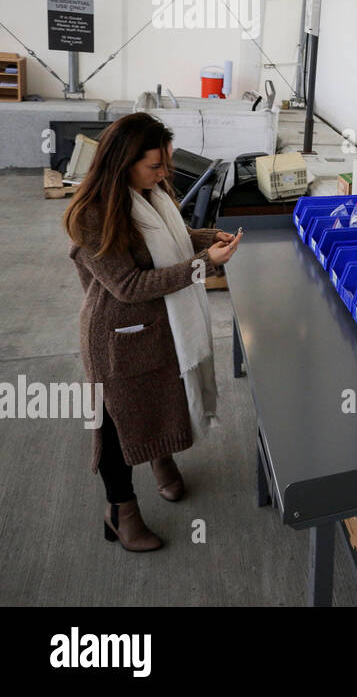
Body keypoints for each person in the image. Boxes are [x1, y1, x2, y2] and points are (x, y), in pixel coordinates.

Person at [63, 112, 242, 551]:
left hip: (160, 325)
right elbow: (129, 285)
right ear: (122, 162)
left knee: (162, 398)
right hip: (117, 339)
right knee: (116, 425)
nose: (164, 174)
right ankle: (120, 511)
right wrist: (204, 264)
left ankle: (159, 455)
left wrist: (205, 239)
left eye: (166, 163)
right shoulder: (92, 215)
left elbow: (171, 240)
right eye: (155, 165)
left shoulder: (150, 193)